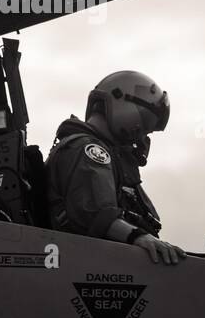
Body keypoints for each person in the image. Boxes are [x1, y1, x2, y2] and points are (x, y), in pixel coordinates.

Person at [45, 71, 185, 264]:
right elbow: (96, 215)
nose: (143, 136)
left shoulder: (111, 157)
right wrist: (139, 237)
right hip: (85, 265)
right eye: (145, 124)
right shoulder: (88, 149)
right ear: (124, 104)